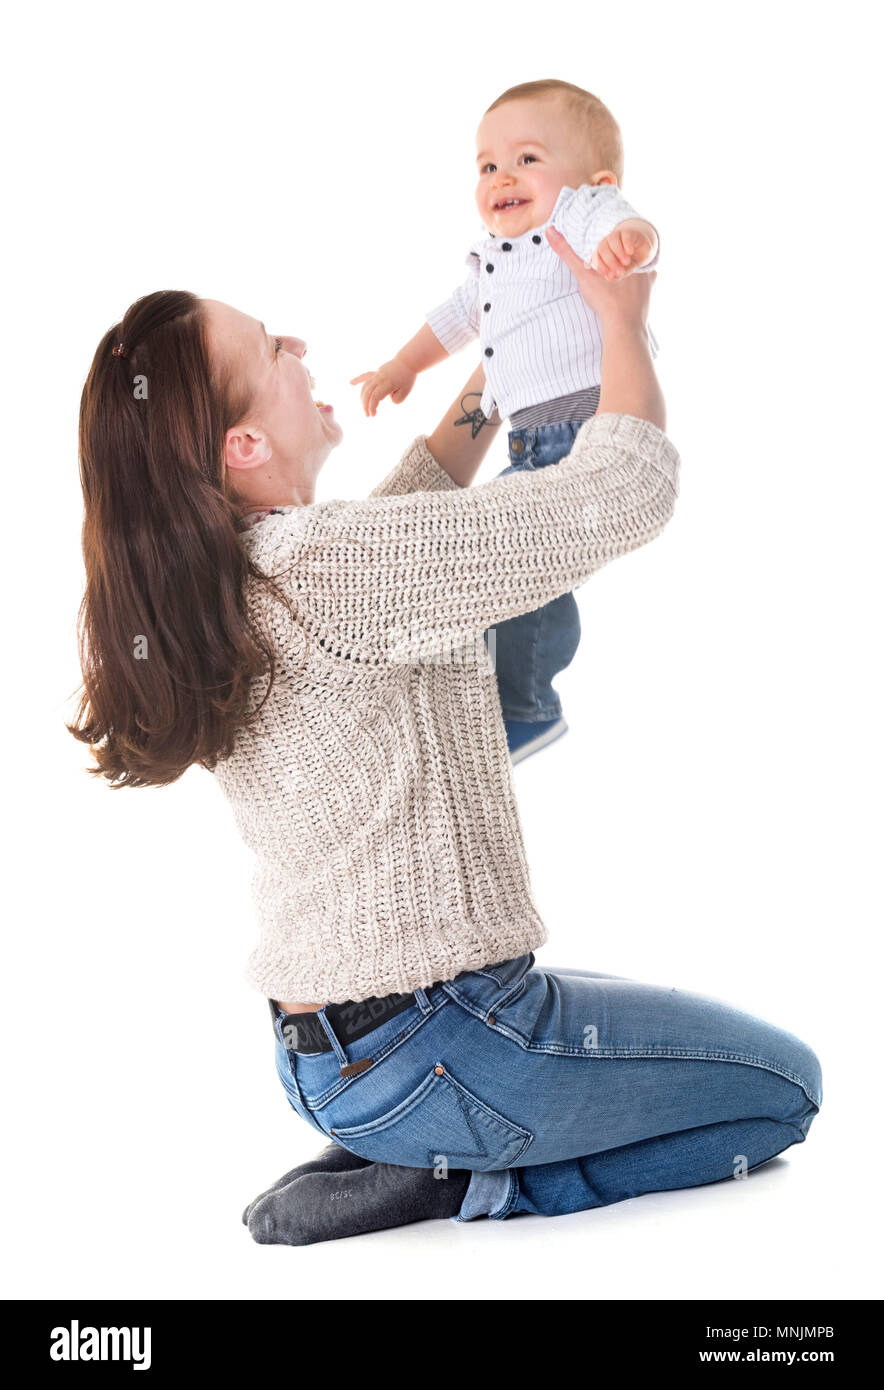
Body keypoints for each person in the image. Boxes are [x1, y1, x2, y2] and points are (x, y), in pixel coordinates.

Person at [69, 231, 822, 1247]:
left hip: (337, 1059)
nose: (296, 343)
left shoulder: (240, 579)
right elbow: (619, 496)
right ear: (240, 447)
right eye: (269, 347)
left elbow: (411, 524)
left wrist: (503, 366)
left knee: (685, 1044)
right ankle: (467, 1181)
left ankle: (412, 1145)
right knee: (781, 1090)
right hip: (449, 1044)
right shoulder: (327, 568)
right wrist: (618, 324)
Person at [352, 78, 659, 763]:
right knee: (507, 568)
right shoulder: (494, 260)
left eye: (526, 159)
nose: (502, 177)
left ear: (591, 181)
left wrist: (630, 241)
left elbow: (625, 224)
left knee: (522, 565)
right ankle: (511, 694)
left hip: (583, 427)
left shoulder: (575, 219)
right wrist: (402, 367)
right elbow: (456, 320)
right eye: (487, 165)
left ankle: (526, 703)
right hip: (527, 440)